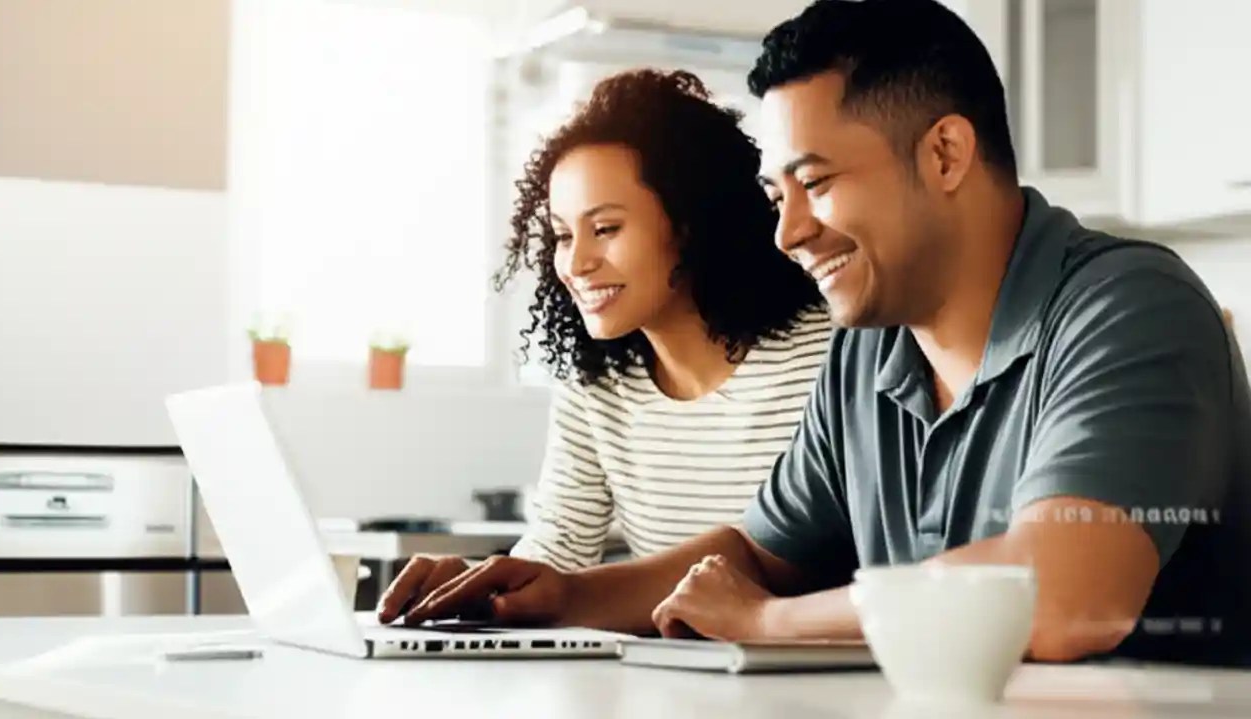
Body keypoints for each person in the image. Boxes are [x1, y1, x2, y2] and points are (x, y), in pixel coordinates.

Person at [384, 0, 1251, 665]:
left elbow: (1067, 596)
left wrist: (770, 624)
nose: (788, 232)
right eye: (776, 195)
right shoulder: (870, 350)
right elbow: (757, 555)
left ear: (945, 155)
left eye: (818, 180)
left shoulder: (1128, 307)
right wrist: (562, 596)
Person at [376, 69, 832, 623]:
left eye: (606, 228)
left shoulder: (829, 354)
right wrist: (478, 587)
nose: (576, 263)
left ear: (691, 224)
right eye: (563, 236)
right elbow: (558, 553)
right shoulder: (597, 385)